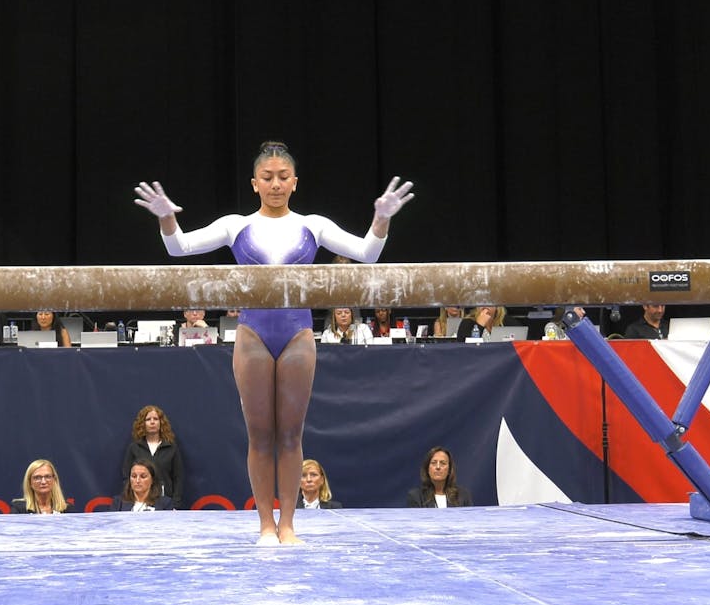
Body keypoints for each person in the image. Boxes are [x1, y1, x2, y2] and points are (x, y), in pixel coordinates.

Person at [135, 140, 413, 545]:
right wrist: (166, 219)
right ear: (254, 183)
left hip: (297, 333)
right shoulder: (235, 225)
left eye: (283, 177)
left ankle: (288, 525)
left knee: (291, 435)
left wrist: (381, 218)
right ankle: (266, 523)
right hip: (253, 334)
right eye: (268, 177)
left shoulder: (314, 225)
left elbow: (367, 254)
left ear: (295, 182)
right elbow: (179, 248)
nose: (276, 184)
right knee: (260, 434)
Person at [121, 405, 185, 507]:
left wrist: (175, 504)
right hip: (140, 502)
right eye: (148, 419)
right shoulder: (134, 448)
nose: (152, 422)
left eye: (155, 419)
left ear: (161, 423)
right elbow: (127, 477)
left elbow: (178, 478)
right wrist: (130, 501)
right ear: (143, 423)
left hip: (165, 501)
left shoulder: (171, 447)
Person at [406, 446, 472, 508]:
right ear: (427, 469)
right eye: (434, 463)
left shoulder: (463, 496)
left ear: (449, 470)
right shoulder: (415, 496)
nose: (438, 467)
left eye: (443, 463)